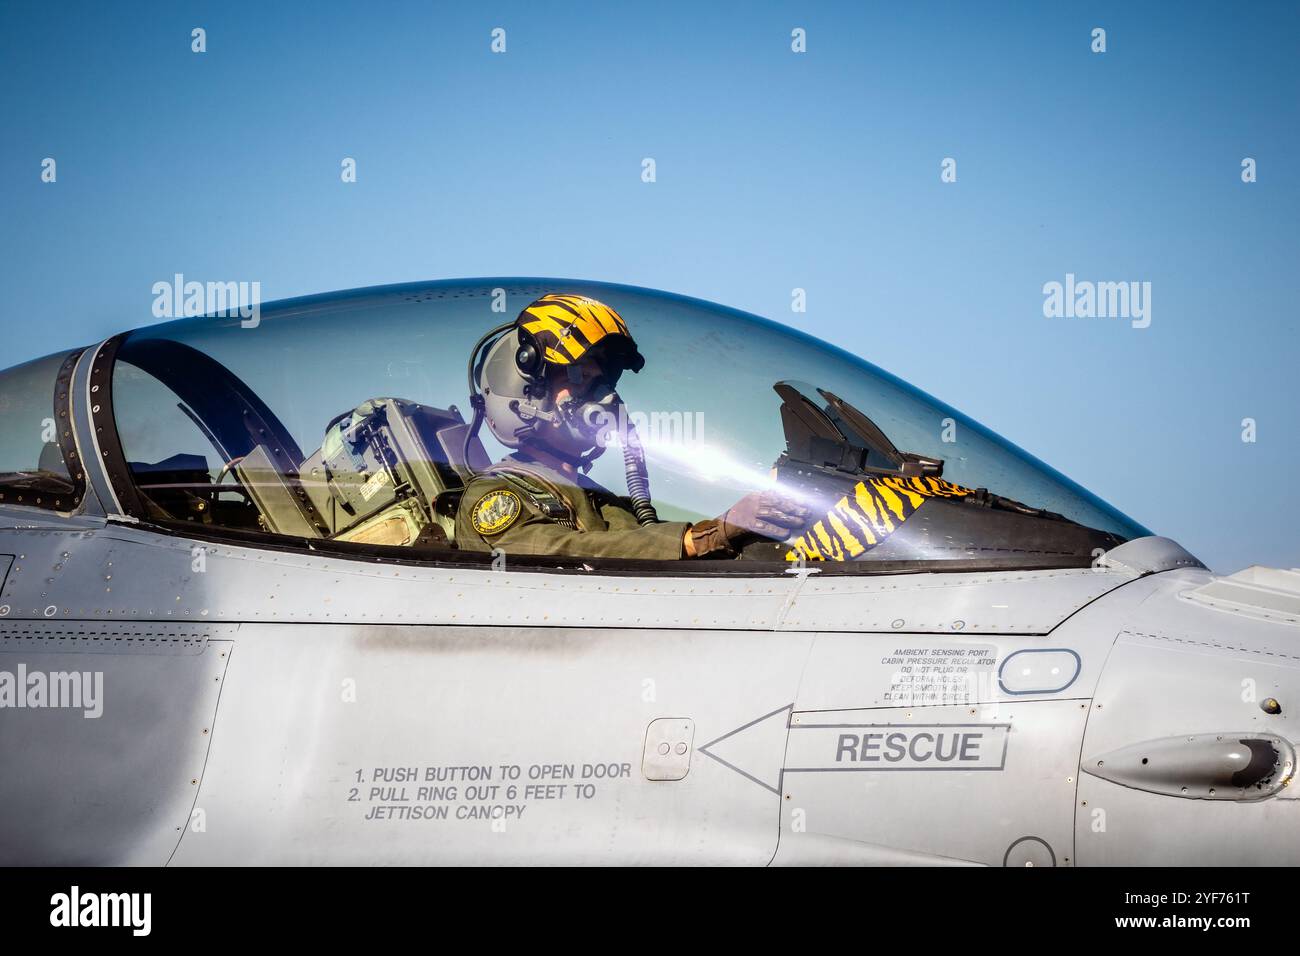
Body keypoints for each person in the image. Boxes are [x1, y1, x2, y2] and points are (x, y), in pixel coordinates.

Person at [455, 293, 809, 559]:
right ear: (524, 389)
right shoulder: (492, 496)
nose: (603, 396)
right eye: (579, 375)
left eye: (603, 382)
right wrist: (702, 537)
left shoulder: (596, 498)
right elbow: (565, 555)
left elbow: (642, 548)